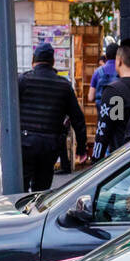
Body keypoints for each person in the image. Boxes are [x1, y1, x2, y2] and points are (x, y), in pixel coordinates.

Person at [18, 42, 87, 192]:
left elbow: (10, 111)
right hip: (50, 144)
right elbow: (78, 118)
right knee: (42, 189)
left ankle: (22, 213)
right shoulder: (63, 85)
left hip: (25, 143)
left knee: (20, 189)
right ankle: (37, 214)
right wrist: (81, 148)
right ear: (53, 62)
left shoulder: (23, 80)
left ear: (33, 60)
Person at [88, 42, 118, 106]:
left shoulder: (98, 72)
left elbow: (90, 97)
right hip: (120, 113)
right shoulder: (123, 71)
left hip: (103, 112)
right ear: (119, 56)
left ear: (106, 56)